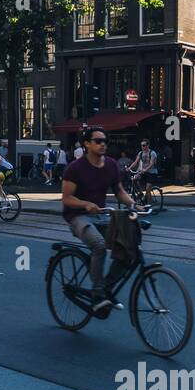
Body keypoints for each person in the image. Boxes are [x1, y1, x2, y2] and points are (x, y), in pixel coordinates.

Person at [61, 127, 140, 311]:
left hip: (101, 214)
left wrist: (133, 205)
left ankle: (106, 289)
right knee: (98, 245)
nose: (103, 144)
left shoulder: (111, 165)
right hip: (78, 216)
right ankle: (97, 295)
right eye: (98, 141)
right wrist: (85, 204)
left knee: (128, 249)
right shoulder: (75, 168)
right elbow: (67, 198)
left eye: (105, 141)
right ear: (87, 144)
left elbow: (119, 190)